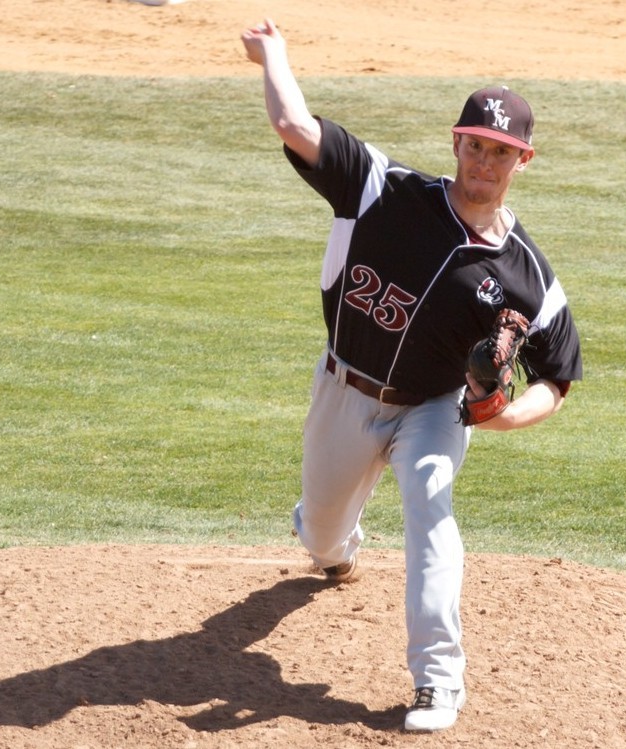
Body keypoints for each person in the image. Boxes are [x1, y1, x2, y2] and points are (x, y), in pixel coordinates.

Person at [241, 18, 583, 733]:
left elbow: (557, 379)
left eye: (502, 152)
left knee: (431, 506)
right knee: (322, 534)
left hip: (433, 408)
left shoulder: (529, 278)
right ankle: (334, 546)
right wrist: (273, 51)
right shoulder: (380, 189)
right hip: (343, 388)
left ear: (524, 159)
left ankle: (439, 681)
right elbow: (292, 121)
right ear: (456, 142)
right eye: (476, 146)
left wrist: (501, 415)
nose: (485, 162)